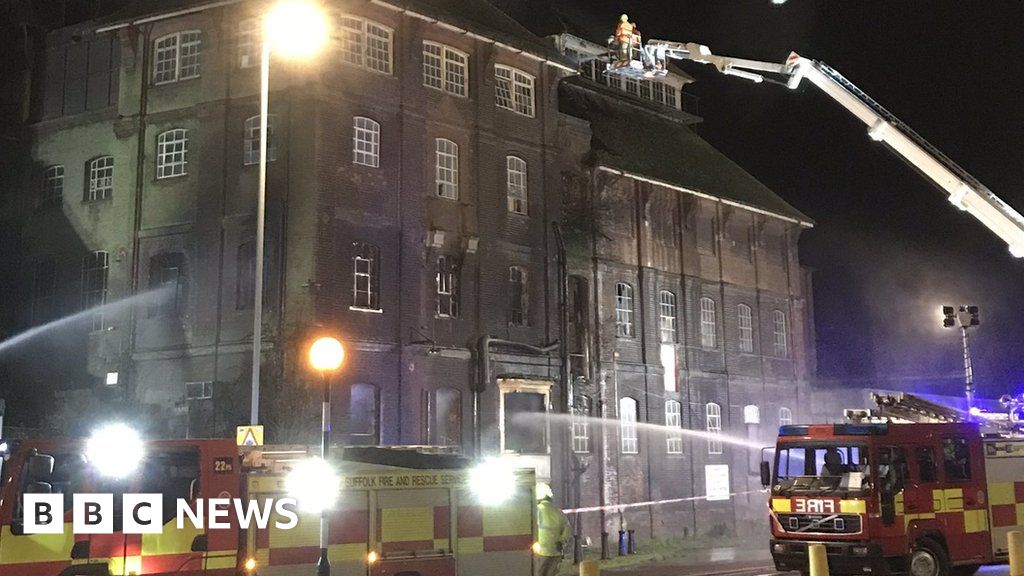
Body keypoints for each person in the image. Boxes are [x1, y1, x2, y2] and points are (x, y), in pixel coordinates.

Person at [535, 482, 571, 576]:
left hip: (541, 551)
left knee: (539, 573)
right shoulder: (558, 511)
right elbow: (567, 528)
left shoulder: (537, 510)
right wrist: (561, 541)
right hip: (556, 550)